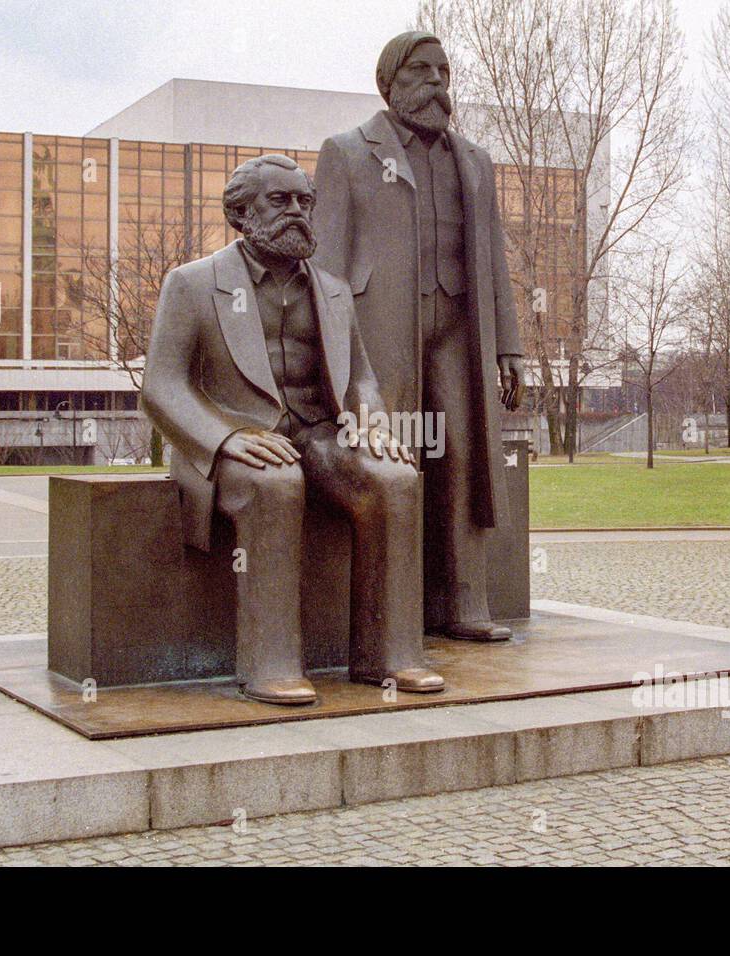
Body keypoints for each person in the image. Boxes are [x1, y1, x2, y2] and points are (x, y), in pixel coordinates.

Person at [142, 154, 445, 706]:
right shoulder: (190, 284)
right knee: (276, 482)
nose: (297, 212)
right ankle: (271, 663)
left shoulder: (331, 290)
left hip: (320, 432)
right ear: (240, 213)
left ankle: (390, 655)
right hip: (231, 435)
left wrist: (370, 417)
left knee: (396, 478)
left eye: (304, 201)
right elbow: (161, 387)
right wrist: (226, 438)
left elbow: (361, 378)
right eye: (279, 201)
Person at [313, 31, 524, 641]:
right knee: (393, 454)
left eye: (444, 71)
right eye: (422, 71)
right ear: (390, 82)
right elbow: (325, 265)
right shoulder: (348, 153)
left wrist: (508, 345)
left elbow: (494, 264)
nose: (437, 82)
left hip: (458, 331)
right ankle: (394, 608)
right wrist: (329, 353)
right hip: (379, 331)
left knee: (460, 454)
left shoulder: (474, 162)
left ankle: (461, 602)